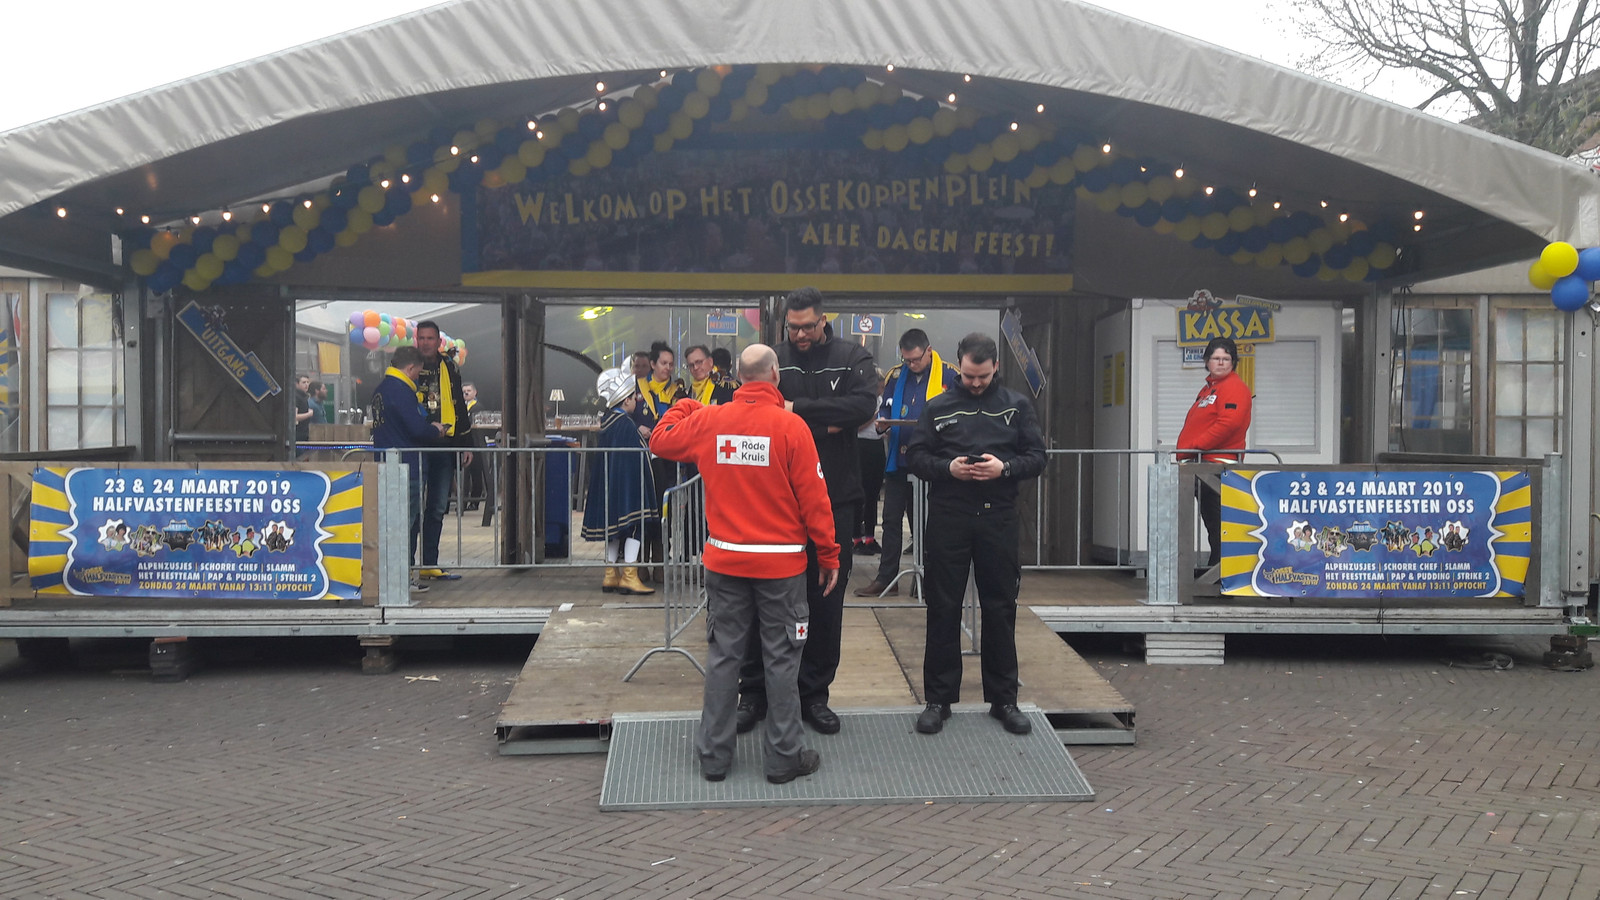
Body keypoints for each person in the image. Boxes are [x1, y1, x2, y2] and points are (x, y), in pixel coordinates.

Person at [649, 343, 838, 784]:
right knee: (782, 661)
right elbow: (815, 500)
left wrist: (686, 406)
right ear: (775, 375)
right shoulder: (792, 428)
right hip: (782, 568)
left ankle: (714, 758)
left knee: (723, 658)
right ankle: (783, 758)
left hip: (725, 561)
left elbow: (660, 440)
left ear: (738, 376)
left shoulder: (711, 422)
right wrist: (828, 554)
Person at [736, 287, 877, 737]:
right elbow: (756, 406)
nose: (799, 334)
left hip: (835, 496)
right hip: (775, 501)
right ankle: (754, 693)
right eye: (792, 327)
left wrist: (797, 409)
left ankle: (814, 696)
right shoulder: (772, 358)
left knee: (826, 598)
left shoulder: (851, 356)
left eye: (807, 326)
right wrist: (826, 422)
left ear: (823, 321)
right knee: (761, 602)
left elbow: (863, 406)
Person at [906, 332, 1046, 737]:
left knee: (1001, 607)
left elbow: (1037, 457)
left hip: (998, 516)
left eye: (983, 377)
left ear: (996, 367)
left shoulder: (1017, 405)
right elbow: (916, 456)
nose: (976, 383)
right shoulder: (938, 406)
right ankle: (938, 699)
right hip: (950, 516)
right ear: (959, 365)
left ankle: (1004, 700)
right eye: (969, 376)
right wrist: (948, 469)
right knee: (942, 607)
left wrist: (1004, 468)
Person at [856, 328, 959, 597]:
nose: (911, 364)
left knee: (926, 524)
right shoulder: (896, 375)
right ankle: (886, 578)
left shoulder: (949, 374)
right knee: (890, 521)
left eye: (915, 359)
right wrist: (883, 422)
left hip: (932, 463)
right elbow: (887, 406)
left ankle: (925, 577)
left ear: (928, 350)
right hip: (899, 461)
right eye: (906, 360)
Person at [369, 346, 450, 594]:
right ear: (411, 368)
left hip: (384, 465)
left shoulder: (380, 390)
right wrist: (435, 429)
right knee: (406, 524)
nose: (418, 377)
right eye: (417, 372)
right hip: (406, 468)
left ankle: (390, 576)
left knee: (389, 523)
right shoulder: (401, 392)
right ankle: (401, 579)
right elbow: (416, 429)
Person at [1175, 336, 1252, 569]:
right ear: (1207, 361)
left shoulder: (1234, 388)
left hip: (1217, 465)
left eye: (1226, 359)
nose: (1221, 363)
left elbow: (1229, 424)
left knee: (1220, 522)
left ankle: (1224, 574)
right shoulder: (1211, 388)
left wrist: (1195, 446)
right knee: (1212, 521)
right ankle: (1216, 571)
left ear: (1233, 362)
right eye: (1216, 358)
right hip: (1202, 463)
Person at [581, 368, 658, 595]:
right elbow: (636, 453)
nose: (637, 399)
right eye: (634, 396)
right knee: (635, 525)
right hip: (628, 484)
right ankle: (630, 576)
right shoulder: (625, 423)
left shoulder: (608, 420)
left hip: (610, 483)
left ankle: (610, 574)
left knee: (613, 530)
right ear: (626, 400)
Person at [412, 321, 477, 582]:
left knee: (437, 507)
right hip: (416, 445)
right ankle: (406, 564)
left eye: (430, 338)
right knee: (411, 508)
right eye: (422, 338)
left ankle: (430, 563)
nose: (426, 342)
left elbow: (459, 404)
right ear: (416, 340)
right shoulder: (406, 363)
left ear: (438, 341)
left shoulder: (449, 365)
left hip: (446, 444)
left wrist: (466, 444)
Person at [852, 372, 886, 556]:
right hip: (861, 445)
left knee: (873, 493)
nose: (881, 391)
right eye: (879, 387)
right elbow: (855, 426)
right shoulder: (862, 401)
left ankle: (871, 537)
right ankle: (856, 538)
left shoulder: (882, 401)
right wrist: (874, 416)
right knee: (860, 494)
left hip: (876, 445)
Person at [460, 382, 488, 512]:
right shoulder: (460, 407)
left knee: (476, 473)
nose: (466, 393)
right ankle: (463, 502)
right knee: (464, 475)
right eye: (464, 390)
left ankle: (474, 502)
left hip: (476, 443)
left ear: (475, 392)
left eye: (469, 390)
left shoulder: (478, 407)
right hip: (464, 444)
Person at [292, 374, 314, 445]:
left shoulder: (304, 397)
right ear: (297, 384)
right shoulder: (296, 397)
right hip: (297, 435)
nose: (306, 385)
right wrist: (309, 414)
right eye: (304, 382)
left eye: (308, 382)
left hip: (304, 434)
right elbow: (294, 417)